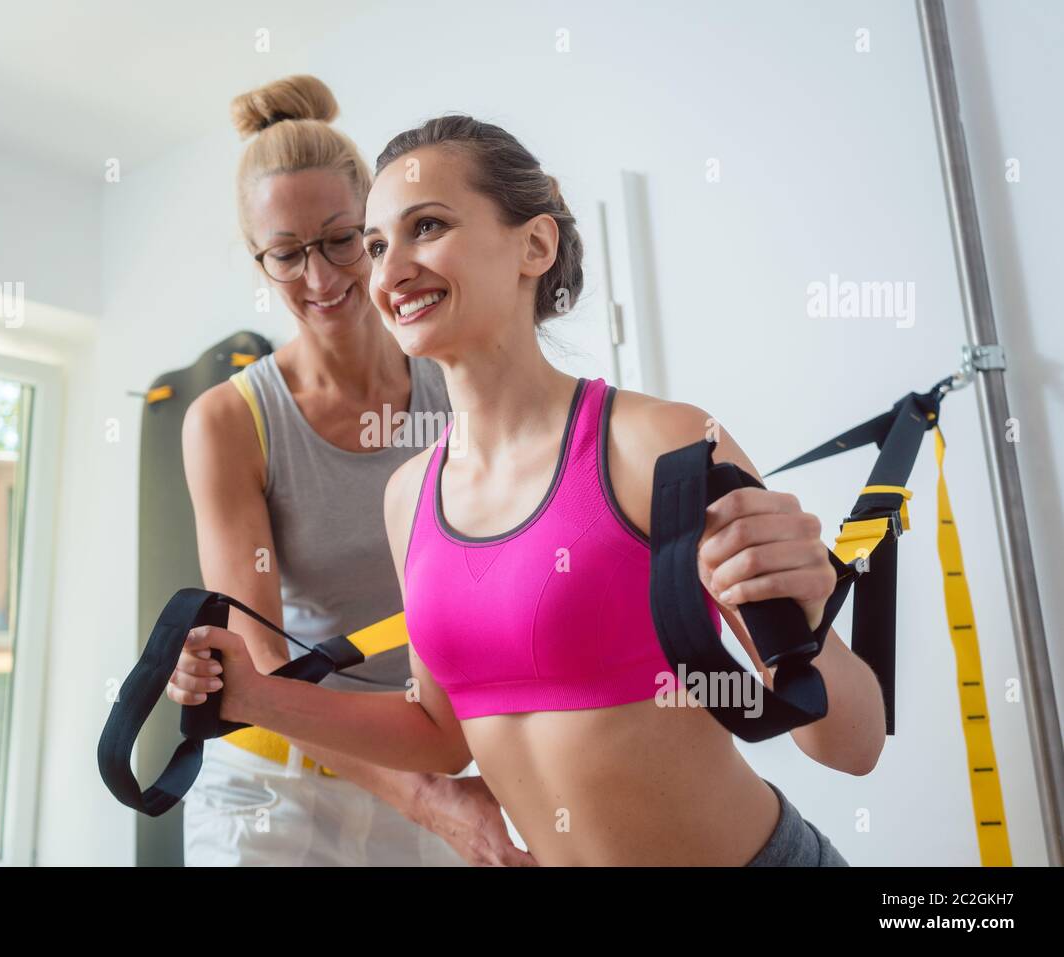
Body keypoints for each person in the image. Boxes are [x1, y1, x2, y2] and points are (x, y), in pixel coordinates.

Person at [171, 113, 882, 866]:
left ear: (534, 244)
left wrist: (804, 614)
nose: (387, 272)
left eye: (428, 226)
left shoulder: (659, 443)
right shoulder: (410, 495)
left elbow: (851, 742)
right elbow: (441, 738)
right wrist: (251, 694)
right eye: (378, 246)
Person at [176, 77, 533, 866]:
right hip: (276, 784)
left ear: (374, 226)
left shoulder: (453, 374)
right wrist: (434, 797)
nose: (321, 276)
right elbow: (266, 661)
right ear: (258, 258)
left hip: (425, 753)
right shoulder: (230, 423)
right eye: (285, 253)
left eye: (342, 238)